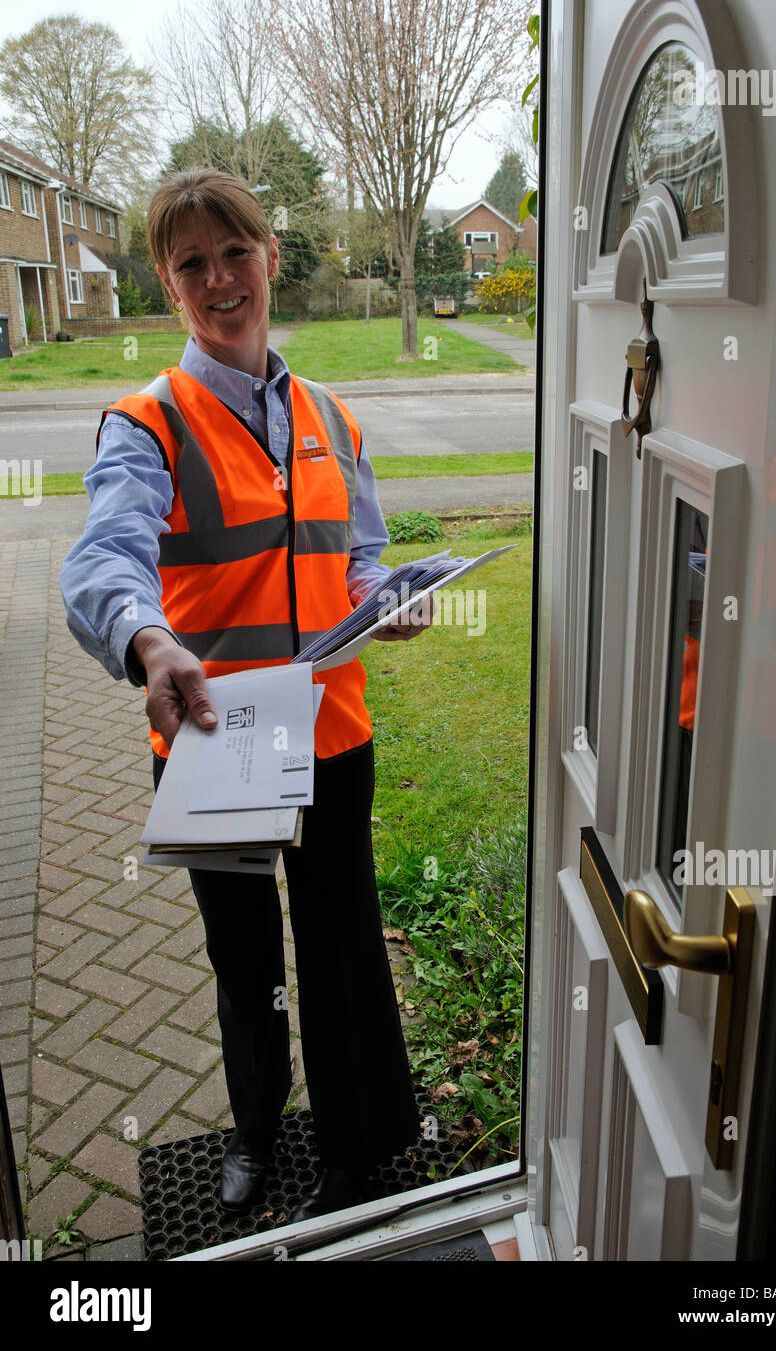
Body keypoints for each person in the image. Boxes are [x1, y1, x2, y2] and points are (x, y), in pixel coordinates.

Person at [60, 167, 434, 1222]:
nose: (220, 279)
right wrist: (145, 639)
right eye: (193, 264)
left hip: (332, 732)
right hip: (215, 735)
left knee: (342, 943)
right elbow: (104, 560)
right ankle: (258, 1132)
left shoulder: (330, 414)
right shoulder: (146, 422)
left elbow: (357, 554)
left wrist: (385, 596)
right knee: (244, 960)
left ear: (271, 256)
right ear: (169, 284)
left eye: (236, 252)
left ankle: (358, 1147)